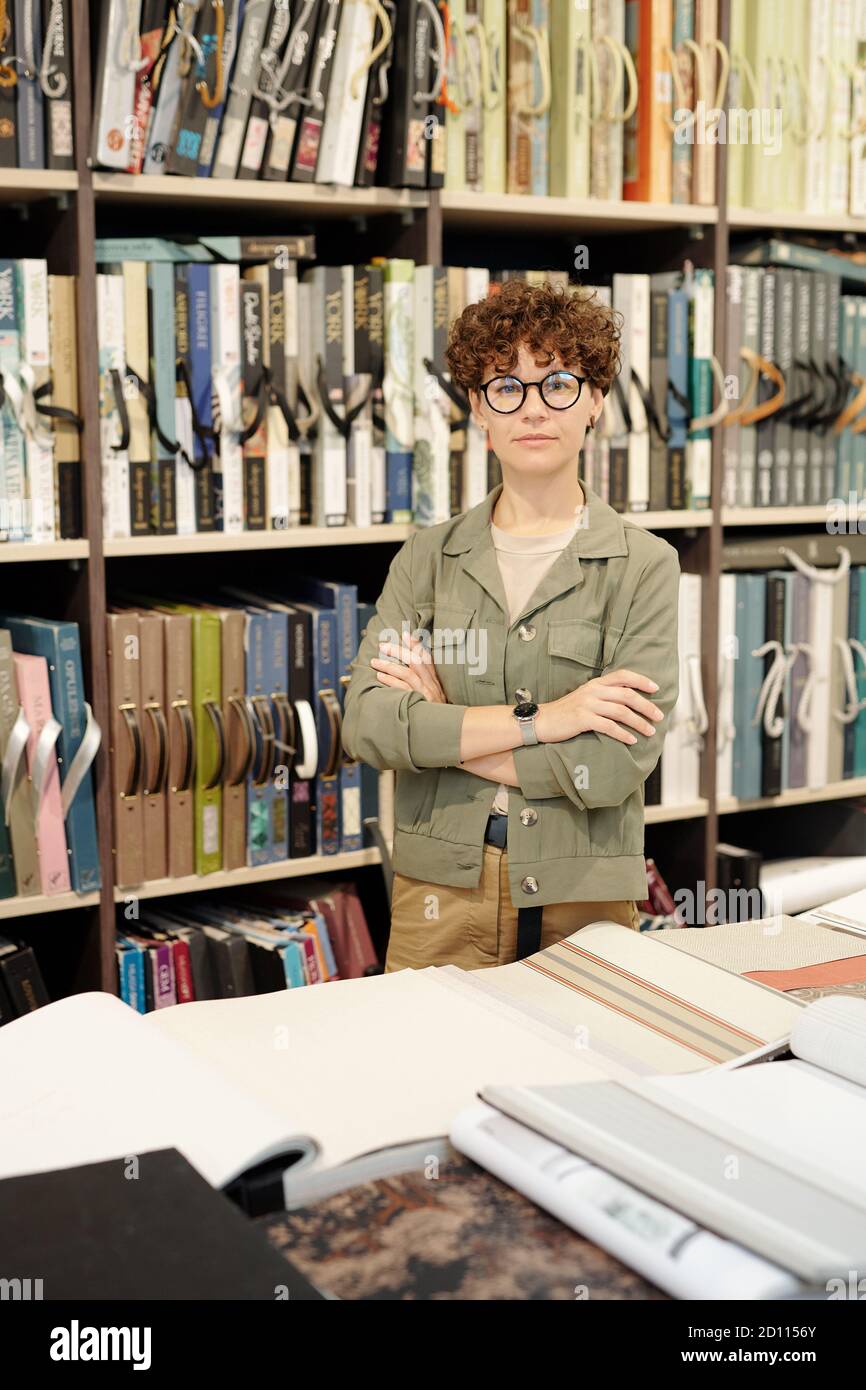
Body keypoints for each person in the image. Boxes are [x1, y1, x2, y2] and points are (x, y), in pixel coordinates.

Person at [342, 278, 681, 972]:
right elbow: (370, 725)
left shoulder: (644, 565)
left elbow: (615, 765)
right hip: (440, 890)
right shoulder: (426, 558)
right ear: (477, 407)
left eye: (557, 382)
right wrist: (549, 720)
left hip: (584, 894)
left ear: (594, 401)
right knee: (431, 1076)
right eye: (506, 387)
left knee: (585, 1074)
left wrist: (442, 729)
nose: (533, 409)